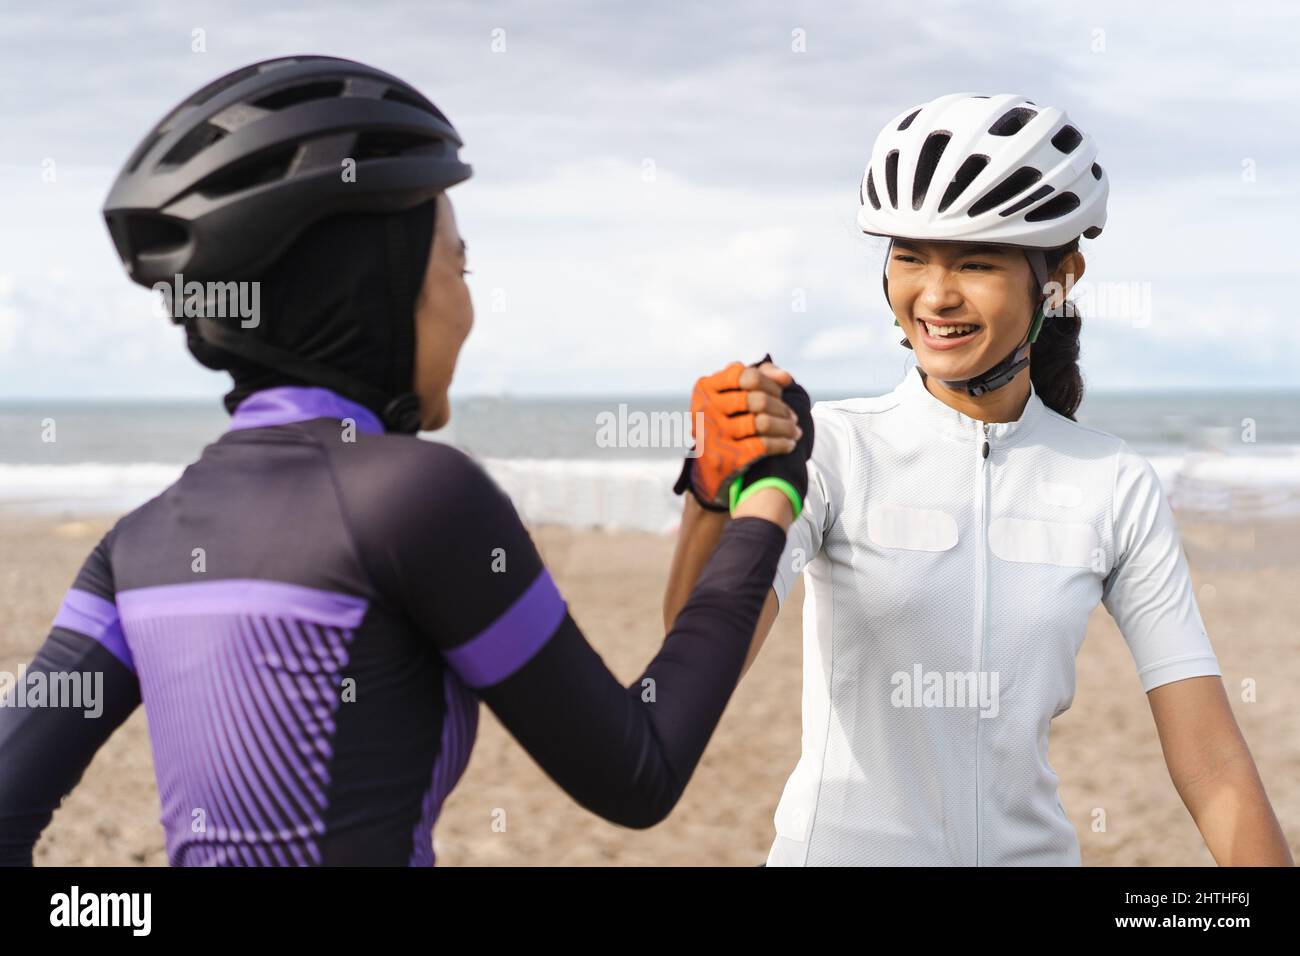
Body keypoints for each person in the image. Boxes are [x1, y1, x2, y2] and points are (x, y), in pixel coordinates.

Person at [0, 55, 814, 867]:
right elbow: (639, 770)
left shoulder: (137, 544)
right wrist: (769, 493)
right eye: (458, 266)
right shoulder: (420, 498)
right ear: (376, 290)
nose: (466, 307)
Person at [664, 92, 1293, 866]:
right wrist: (706, 495)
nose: (935, 294)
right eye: (911, 256)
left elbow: (1213, 761)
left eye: (976, 261)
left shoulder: (1115, 483)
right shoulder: (832, 448)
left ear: (1060, 277)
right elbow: (700, 665)